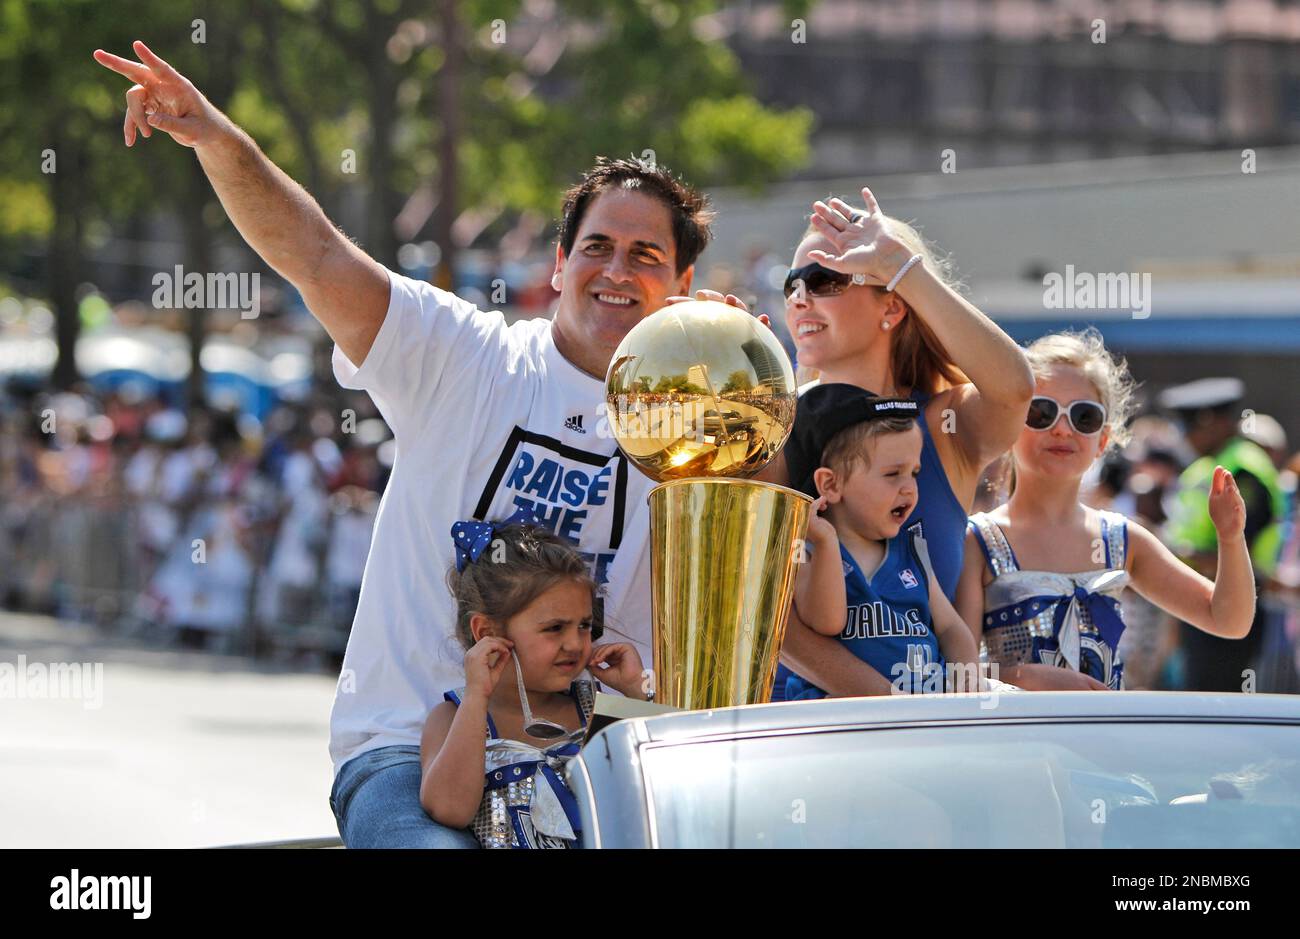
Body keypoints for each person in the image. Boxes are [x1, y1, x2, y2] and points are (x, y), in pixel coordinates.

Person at [93, 41, 723, 848]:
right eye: (596, 247)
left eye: (646, 255)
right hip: (405, 748)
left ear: (684, 288)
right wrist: (218, 138)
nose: (615, 270)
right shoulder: (466, 354)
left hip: (592, 758)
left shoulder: (708, 421)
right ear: (560, 263)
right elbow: (317, 256)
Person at [760, 187, 1034, 698]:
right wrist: (893, 712)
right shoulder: (774, 427)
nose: (800, 298)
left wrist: (901, 267)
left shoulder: (943, 423)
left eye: (823, 281)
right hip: (802, 743)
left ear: (892, 307)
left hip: (924, 738)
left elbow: (1016, 386)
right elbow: (764, 614)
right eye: (791, 285)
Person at [955, 331, 1256, 690]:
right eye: (1041, 412)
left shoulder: (1123, 539)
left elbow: (1229, 620)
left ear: (1102, 440)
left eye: (1084, 416)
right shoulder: (976, 540)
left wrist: (1230, 537)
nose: (1062, 429)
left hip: (1101, 741)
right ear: (1010, 424)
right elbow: (956, 675)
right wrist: (1022, 677)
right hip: (1014, 741)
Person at [420, 517, 645, 849]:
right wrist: (477, 698)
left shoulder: (597, 708)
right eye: (555, 628)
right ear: (487, 633)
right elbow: (450, 810)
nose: (575, 643)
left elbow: (657, 794)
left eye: (584, 625)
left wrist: (635, 694)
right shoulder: (452, 717)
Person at [785, 388, 979, 698]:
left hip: (932, 709)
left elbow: (950, 628)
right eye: (893, 474)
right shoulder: (805, 552)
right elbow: (828, 622)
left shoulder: (912, 551)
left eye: (914, 473)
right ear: (831, 485)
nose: (910, 489)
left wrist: (965, 686)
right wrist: (824, 541)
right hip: (846, 724)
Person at [1159, 378, 1287, 692]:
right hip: (1206, 597)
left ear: (1211, 422)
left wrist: (1182, 556)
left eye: (1190, 425)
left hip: (1236, 600)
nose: (1186, 436)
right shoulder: (1212, 464)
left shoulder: (1242, 469)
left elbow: (1242, 546)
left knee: (1222, 699)